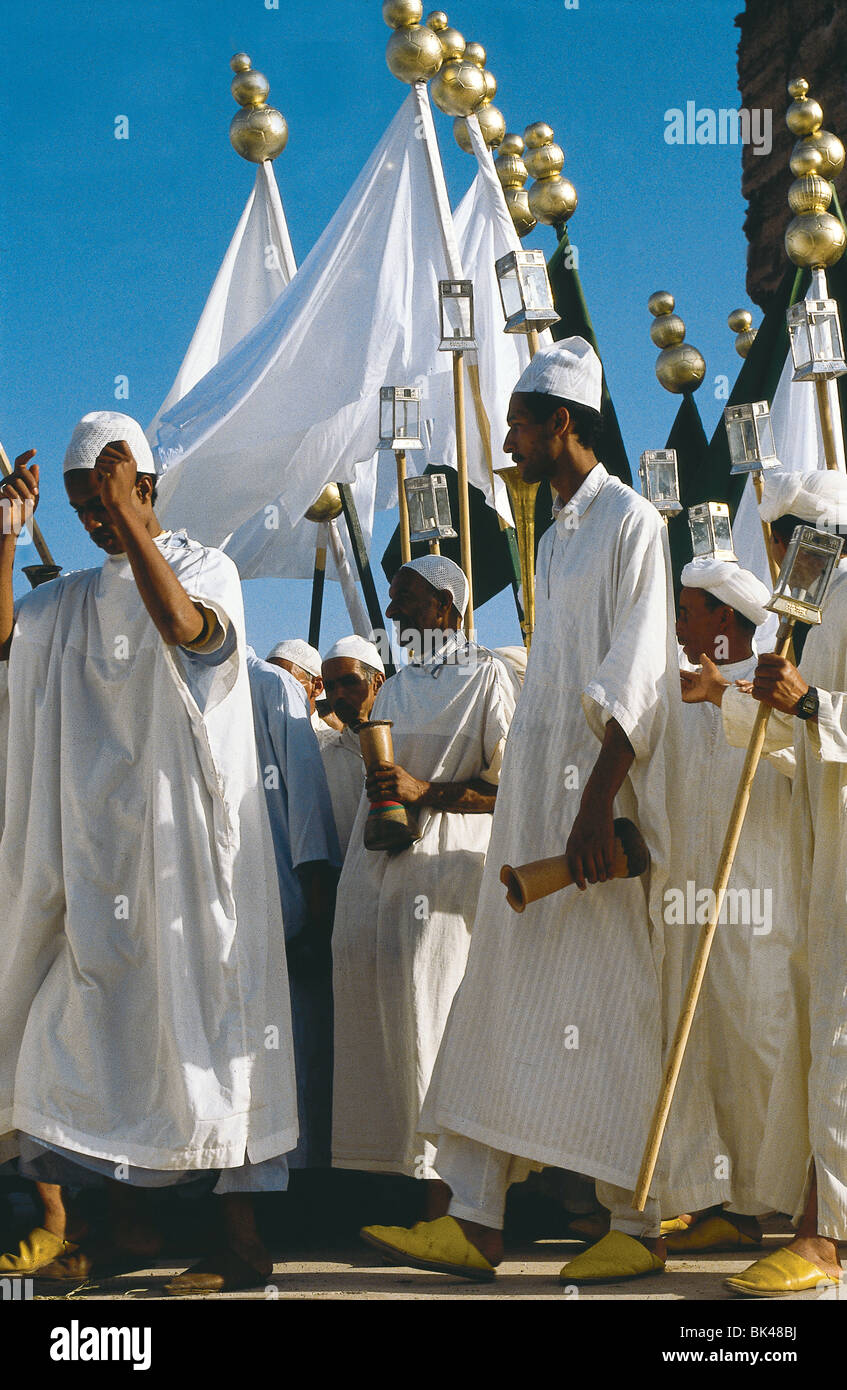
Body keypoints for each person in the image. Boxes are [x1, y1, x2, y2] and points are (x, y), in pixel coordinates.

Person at [361, 337, 682, 1284]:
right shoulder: (550, 533)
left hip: (591, 816)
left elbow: (641, 680)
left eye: (516, 423)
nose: (507, 439)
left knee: (613, 1005)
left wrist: (595, 807)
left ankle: (642, 1222)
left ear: (561, 424)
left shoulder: (631, 522)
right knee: (495, 1004)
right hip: (535, 811)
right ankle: (473, 1221)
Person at [0, 412, 298, 1292]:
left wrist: (131, 520)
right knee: (75, 1039)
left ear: (145, 488)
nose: (94, 520)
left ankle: (241, 1248)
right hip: (98, 866)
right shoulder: (72, 599)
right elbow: (7, 648)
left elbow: (189, 630)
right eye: (82, 506)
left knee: (206, 1042)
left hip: (190, 864)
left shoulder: (209, 568)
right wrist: (5, 538)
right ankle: (117, 1231)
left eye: (105, 501)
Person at [686, 470, 847, 1296]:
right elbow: (783, 733)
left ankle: (827, 1241)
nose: (773, 555)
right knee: (825, 1032)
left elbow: (816, 713)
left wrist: (814, 701)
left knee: (840, 1039)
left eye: (778, 538)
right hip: (825, 854)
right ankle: (815, 1222)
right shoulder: (806, 617)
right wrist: (742, 695)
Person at [330, 556, 517, 1218]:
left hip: (444, 882)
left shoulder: (488, 677)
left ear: (446, 606)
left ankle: (459, 1209)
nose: (392, 612)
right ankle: (420, 1201)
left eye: (405, 599)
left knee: (436, 1028)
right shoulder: (399, 686)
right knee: (388, 1034)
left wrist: (425, 793)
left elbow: (510, 784)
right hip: (380, 875)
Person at [660, 556, 794, 1253]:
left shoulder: (778, 678)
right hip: (692, 904)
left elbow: (806, 751)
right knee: (713, 1057)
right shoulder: (677, 690)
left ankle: (814, 1208)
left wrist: (726, 698)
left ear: (720, 618)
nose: (677, 626)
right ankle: (736, 1204)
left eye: (686, 613)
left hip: (764, 905)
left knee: (765, 1046)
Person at [246, 646, 341, 1169]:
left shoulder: (271, 687)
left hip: (283, 897)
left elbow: (306, 804)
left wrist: (315, 906)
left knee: (295, 1048)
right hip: (216, 905)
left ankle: (298, 1180)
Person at [319, 636, 385, 857]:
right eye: (330, 687)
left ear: (377, 683)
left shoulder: (407, 744)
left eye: (349, 682)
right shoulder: (325, 759)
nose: (339, 695)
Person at [266, 639, 329, 737]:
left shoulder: (333, 746)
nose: (275, 688)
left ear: (317, 686)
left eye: (286, 681)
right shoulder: (251, 735)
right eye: (269, 681)